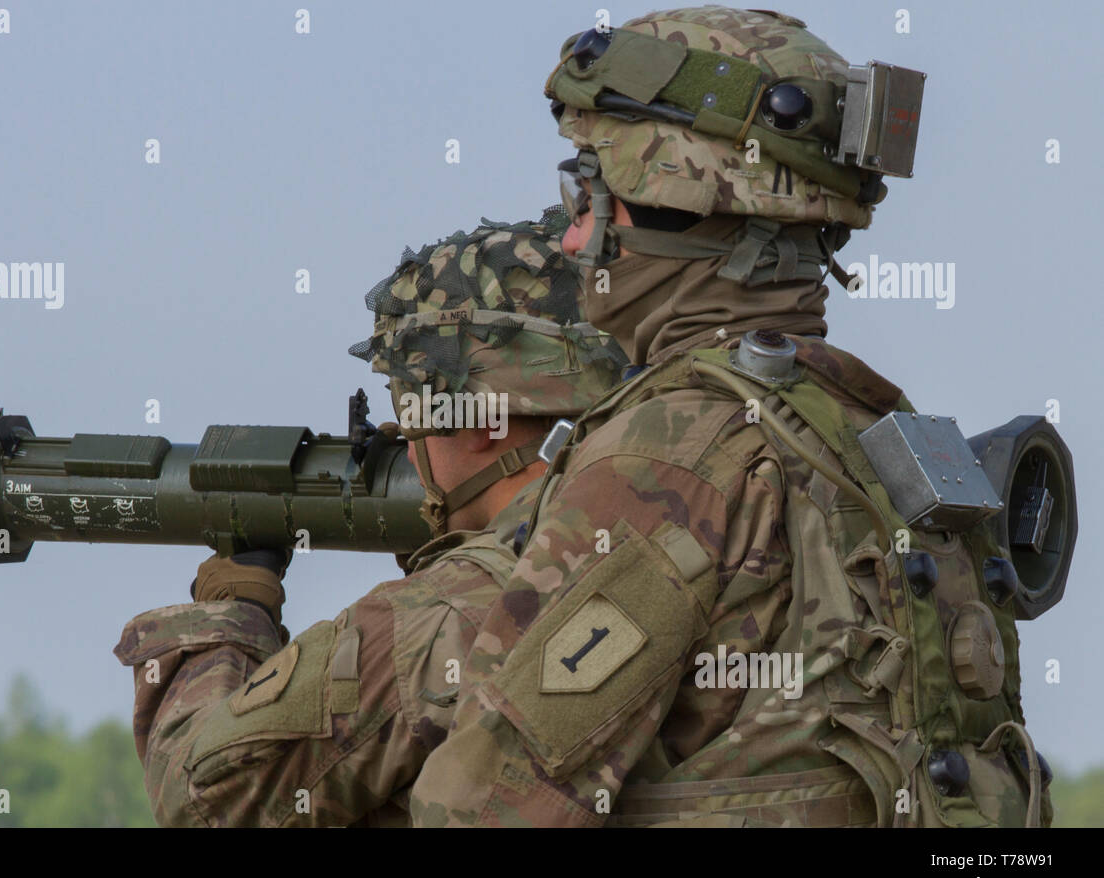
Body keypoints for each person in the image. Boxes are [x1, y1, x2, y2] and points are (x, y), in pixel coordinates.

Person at [410, 6, 1050, 828]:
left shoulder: (669, 451)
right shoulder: (886, 433)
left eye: (587, 194)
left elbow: (484, 807)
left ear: (675, 196)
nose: (572, 242)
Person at [113, 210, 626, 826]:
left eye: (408, 405)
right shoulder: (691, 513)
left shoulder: (448, 615)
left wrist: (230, 619)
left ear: (480, 423)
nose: (404, 441)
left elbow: (204, 803)